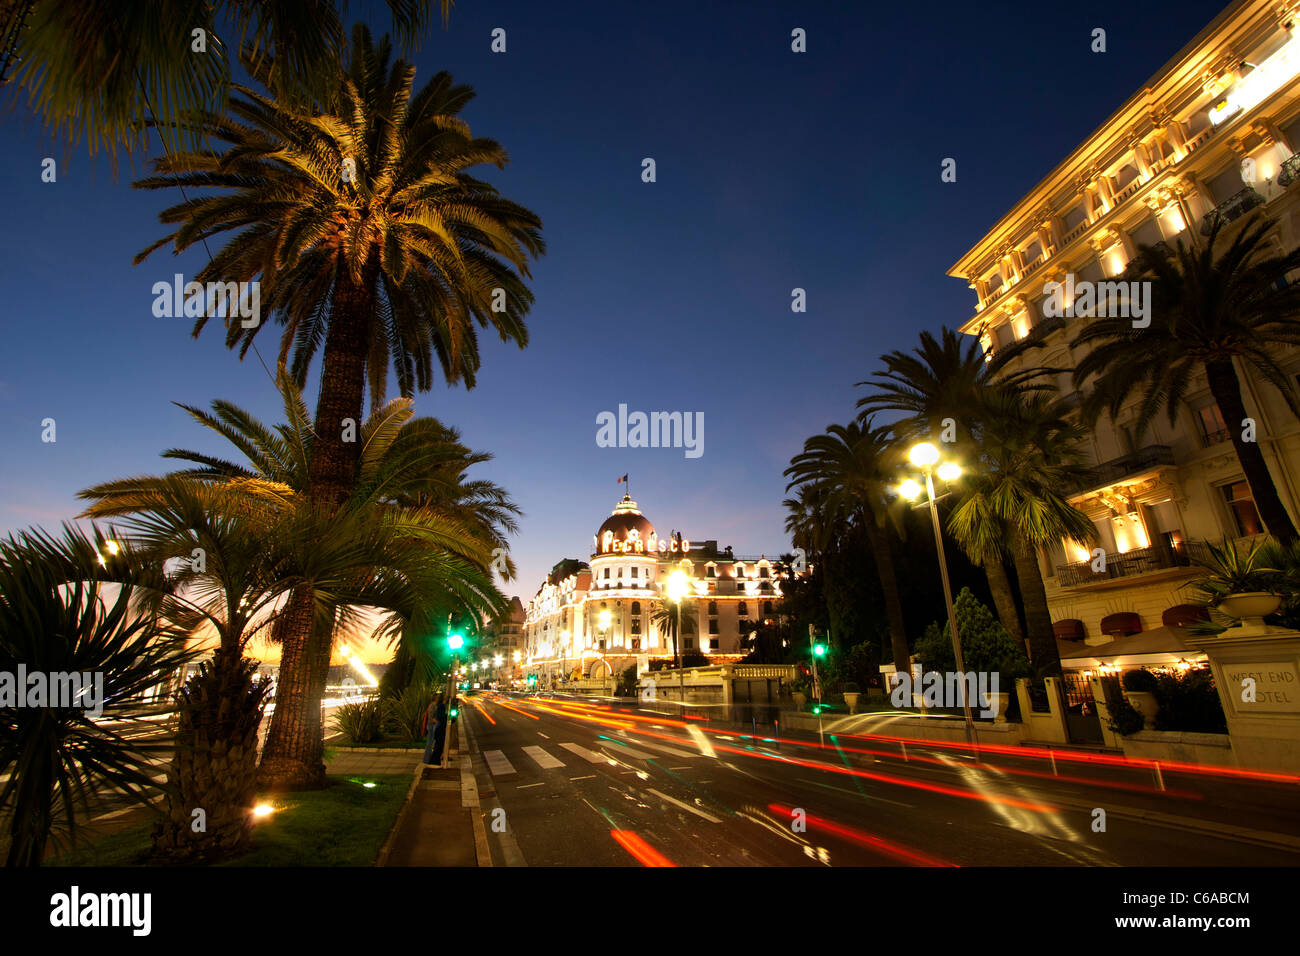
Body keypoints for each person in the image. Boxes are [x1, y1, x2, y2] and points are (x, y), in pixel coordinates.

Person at [422, 692, 448, 766]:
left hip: (434, 725)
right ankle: (426, 759)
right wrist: (438, 721)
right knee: (430, 743)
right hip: (431, 726)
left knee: (433, 743)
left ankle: (429, 759)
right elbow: (430, 718)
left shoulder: (436, 706)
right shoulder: (432, 706)